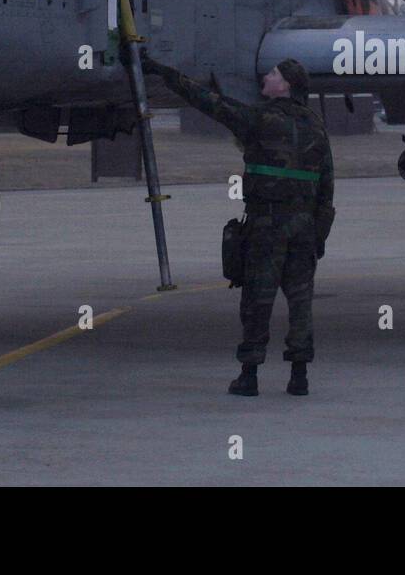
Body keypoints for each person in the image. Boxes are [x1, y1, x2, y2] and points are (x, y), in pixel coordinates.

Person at [141, 54, 334, 396]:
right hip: (304, 228)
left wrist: (160, 70)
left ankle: (249, 375)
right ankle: (299, 376)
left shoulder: (259, 119)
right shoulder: (317, 126)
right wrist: (319, 236)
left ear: (286, 85)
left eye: (273, 74)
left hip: (267, 225)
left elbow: (207, 101)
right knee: (301, 301)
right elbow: (327, 189)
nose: (267, 77)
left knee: (257, 300)